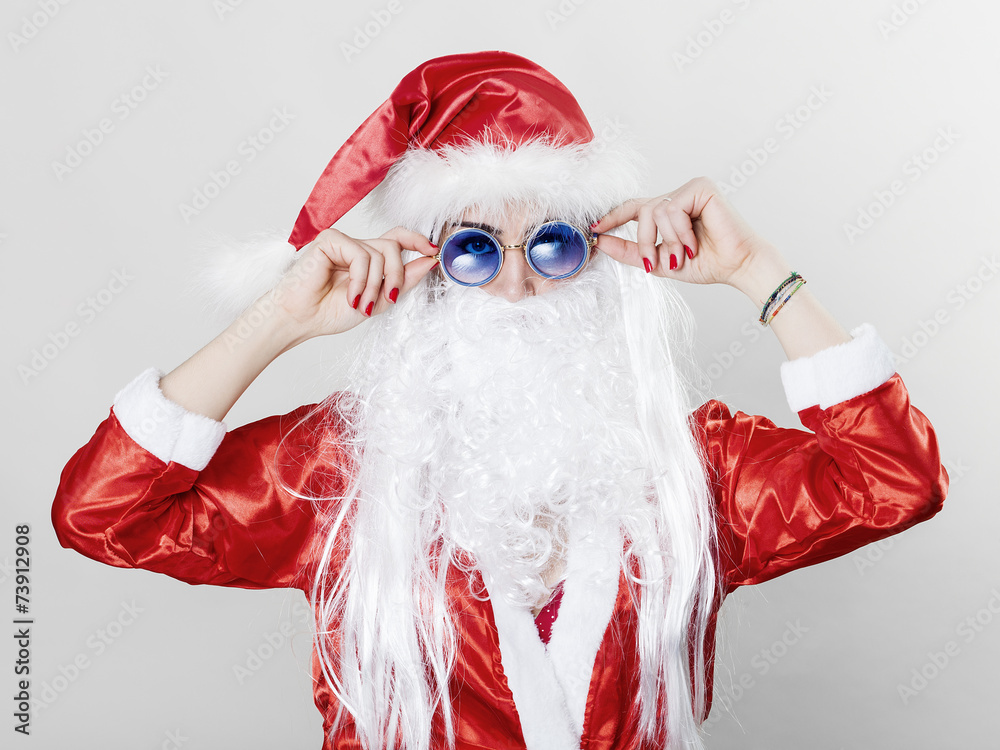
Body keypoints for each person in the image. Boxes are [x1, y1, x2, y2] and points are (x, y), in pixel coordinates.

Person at [51, 51, 949, 750]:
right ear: (428, 269)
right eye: (474, 249)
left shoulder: (690, 471)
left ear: (598, 258)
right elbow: (104, 512)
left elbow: (896, 481)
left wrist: (757, 270)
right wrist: (278, 318)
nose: (516, 286)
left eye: (553, 244)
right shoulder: (343, 470)